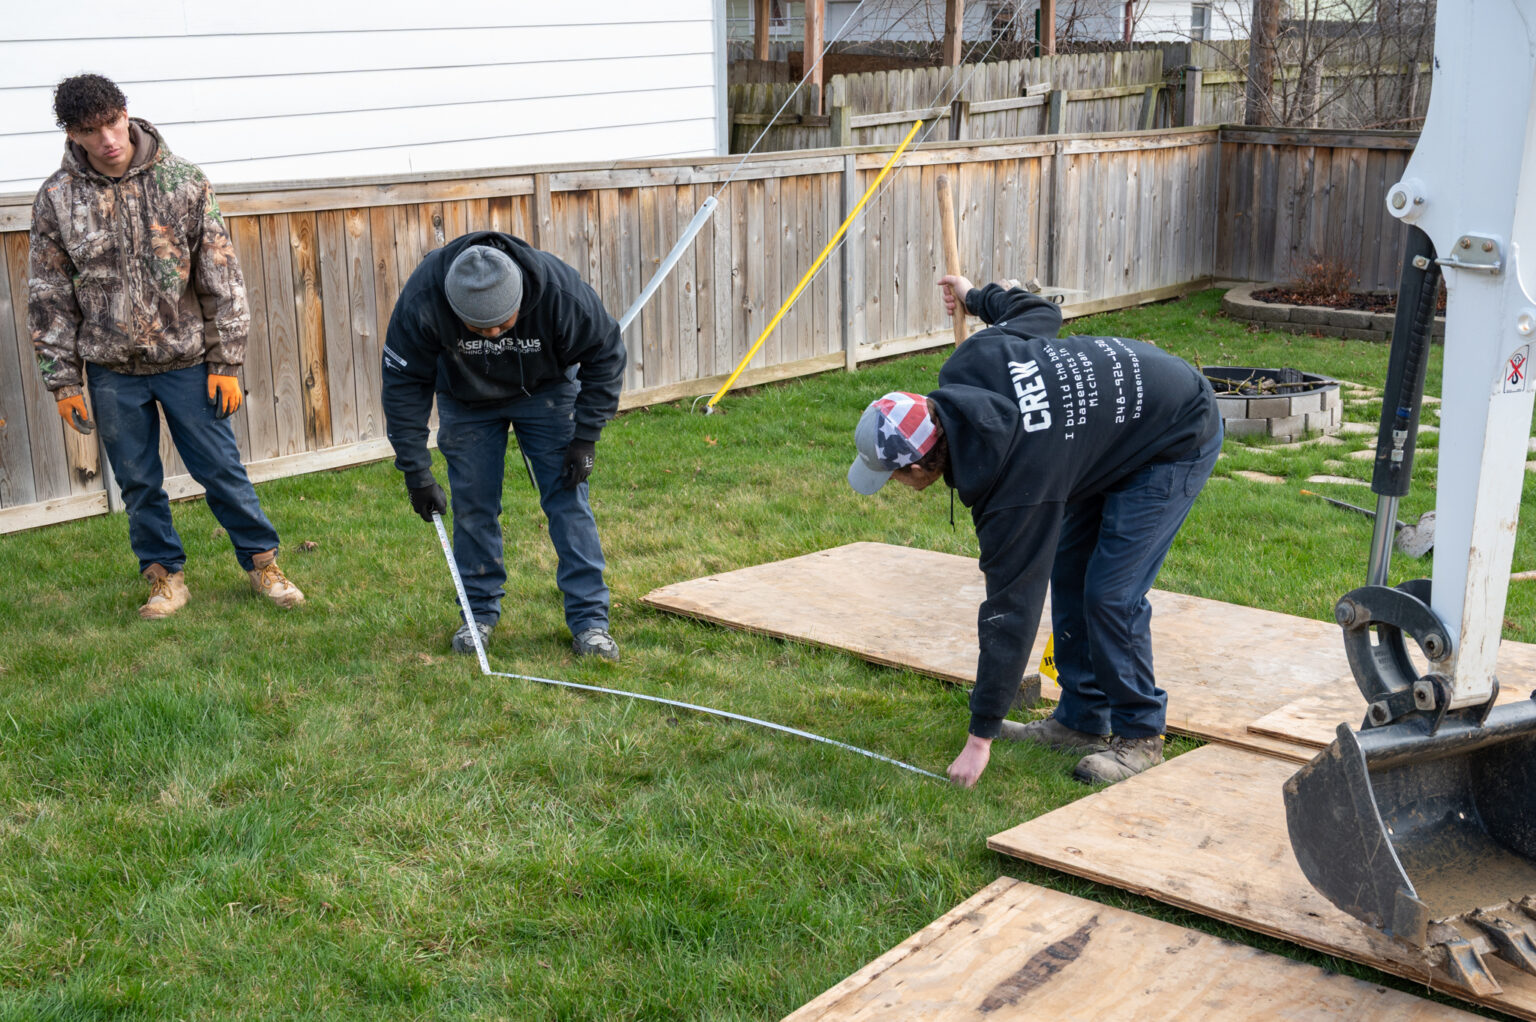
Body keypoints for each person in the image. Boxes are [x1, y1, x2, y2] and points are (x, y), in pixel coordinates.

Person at [847, 276, 1221, 788]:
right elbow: (1039, 313)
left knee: (1111, 592)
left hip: (1174, 429)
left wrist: (981, 739)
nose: (892, 484)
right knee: (1071, 568)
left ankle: (1140, 735)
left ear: (918, 469)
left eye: (890, 475)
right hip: (1101, 436)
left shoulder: (1017, 490)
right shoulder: (969, 364)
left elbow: (1010, 612)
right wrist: (979, 295)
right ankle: (1083, 720)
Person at [28, 73, 303, 620]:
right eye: (90, 129)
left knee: (222, 471)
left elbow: (221, 274)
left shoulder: (183, 181)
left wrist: (225, 361)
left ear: (125, 112)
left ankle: (263, 564)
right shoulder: (58, 199)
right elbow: (48, 292)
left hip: (188, 362)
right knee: (137, 481)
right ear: (72, 133)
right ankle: (164, 578)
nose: (107, 137)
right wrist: (62, 381)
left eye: (112, 121)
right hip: (110, 371)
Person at [383, 231, 626, 660]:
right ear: (454, 311)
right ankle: (477, 615)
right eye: (480, 327)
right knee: (474, 505)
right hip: (465, 399)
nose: (494, 334)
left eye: (503, 322)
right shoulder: (423, 300)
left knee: (568, 501)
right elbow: (404, 385)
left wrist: (586, 436)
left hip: (546, 392)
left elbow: (605, 353)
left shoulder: (559, 292)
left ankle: (590, 622)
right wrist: (416, 473)